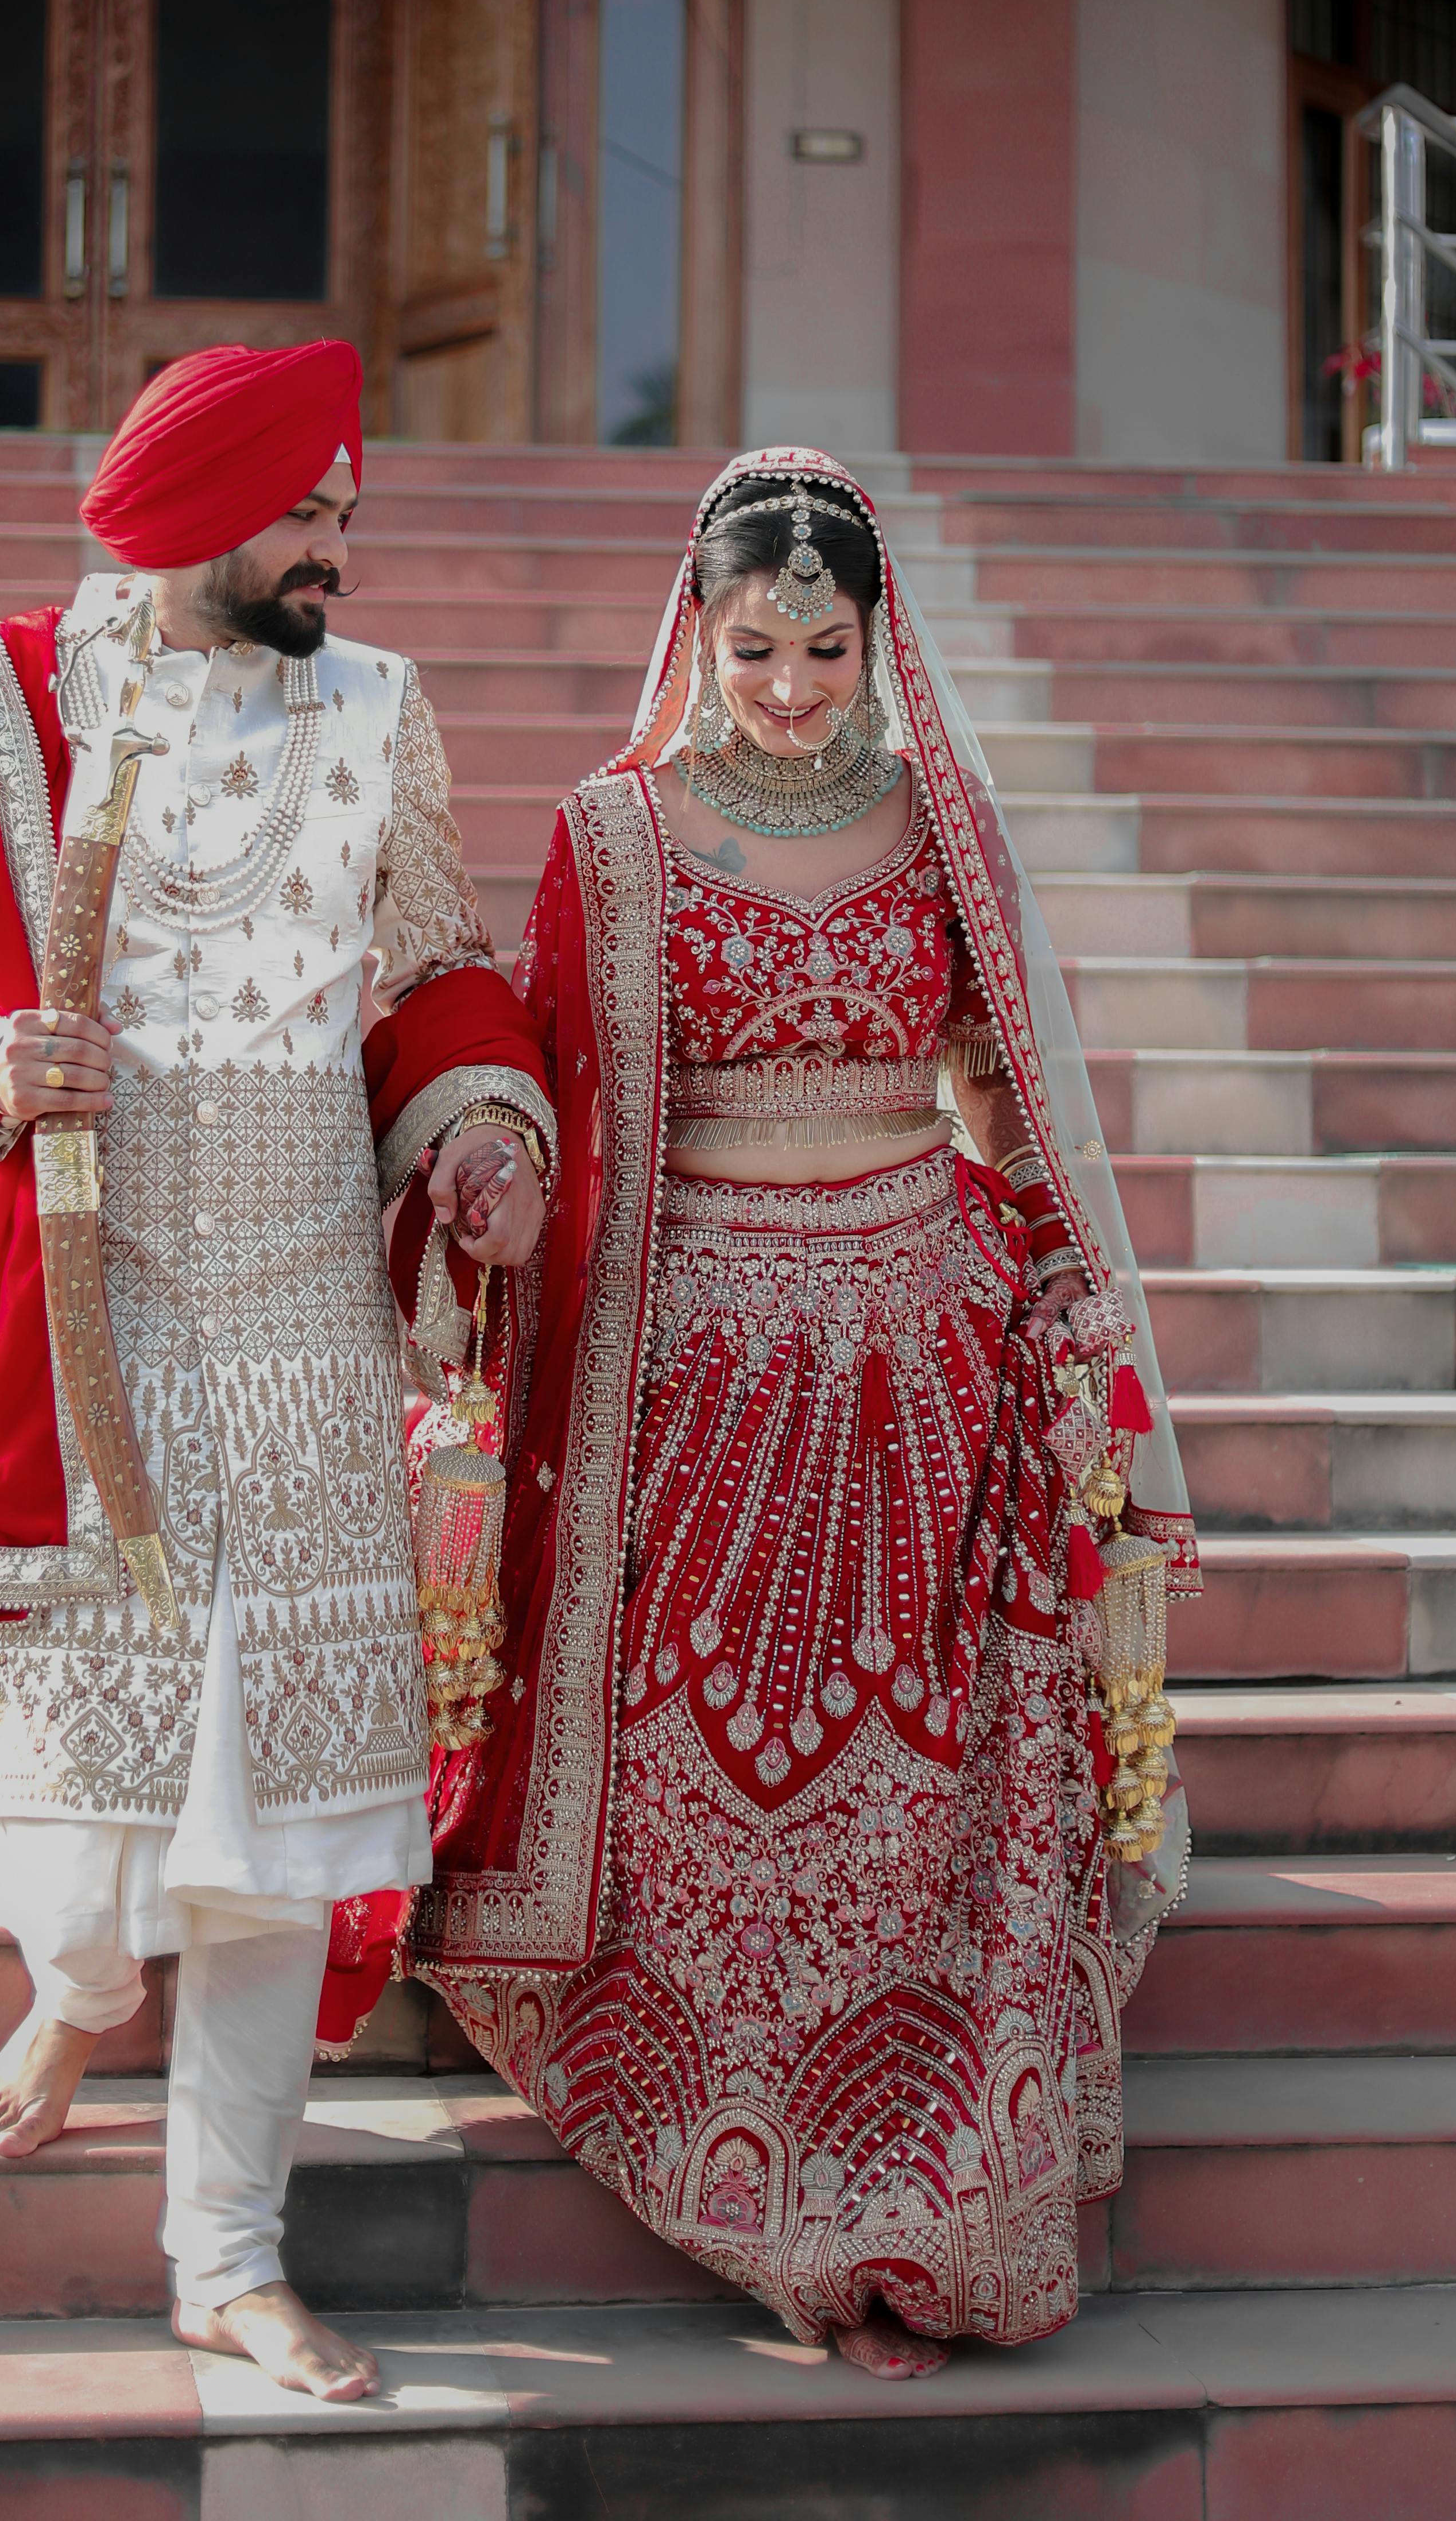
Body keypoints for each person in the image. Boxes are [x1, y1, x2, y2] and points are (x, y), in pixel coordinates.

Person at [0, 340, 553, 2404]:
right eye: (313, 521)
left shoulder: (381, 713)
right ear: (206, 512)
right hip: (75, 1271)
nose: (339, 561)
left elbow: (431, 967)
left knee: (289, 1806)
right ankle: (80, 1966)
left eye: (350, 522)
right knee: (33, 1705)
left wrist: (479, 1130)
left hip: (301, 1287)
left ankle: (228, 2259)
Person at [402, 451, 1198, 2380]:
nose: (782, 686)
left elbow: (1003, 1093)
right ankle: (737, 2174)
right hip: (691, 1376)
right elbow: (570, 1100)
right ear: (698, 628)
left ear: (876, 637)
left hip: (924, 1357)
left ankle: (919, 2205)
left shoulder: (941, 829)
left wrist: (1061, 1310)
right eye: (750, 646)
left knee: (918, 1788)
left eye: (822, 648)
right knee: (708, 1780)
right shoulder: (616, 833)